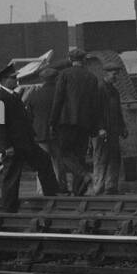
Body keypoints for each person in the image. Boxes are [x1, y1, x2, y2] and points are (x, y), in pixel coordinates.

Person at [0, 63, 60, 211]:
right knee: (12, 177)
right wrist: (6, 146)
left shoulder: (13, 96)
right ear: (3, 80)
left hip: (26, 143)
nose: (16, 79)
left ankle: (51, 196)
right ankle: (9, 209)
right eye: (13, 77)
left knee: (44, 161)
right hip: (13, 146)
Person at [50, 46, 103, 195]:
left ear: (70, 60)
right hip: (85, 123)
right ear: (84, 60)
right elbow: (95, 104)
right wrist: (95, 126)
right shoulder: (91, 77)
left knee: (64, 153)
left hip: (66, 122)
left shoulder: (64, 75)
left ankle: (83, 175)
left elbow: (58, 100)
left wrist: (52, 121)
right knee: (79, 156)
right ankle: (78, 192)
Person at [84, 55, 127, 195]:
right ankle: (98, 187)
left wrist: (122, 127)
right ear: (106, 73)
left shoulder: (114, 91)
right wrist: (100, 128)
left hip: (113, 131)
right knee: (101, 158)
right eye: (114, 74)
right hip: (102, 131)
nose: (116, 76)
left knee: (114, 158)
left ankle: (111, 187)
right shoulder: (100, 89)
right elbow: (96, 111)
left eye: (117, 74)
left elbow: (117, 111)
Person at [25, 65, 68, 194]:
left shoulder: (34, 95)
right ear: (56, 78)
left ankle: (41, 189)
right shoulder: (61, 94)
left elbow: (29, 116)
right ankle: (60, 187)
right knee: (58, 162)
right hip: (57, 132)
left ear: (42, 79)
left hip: (39, 133)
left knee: (42, 163)